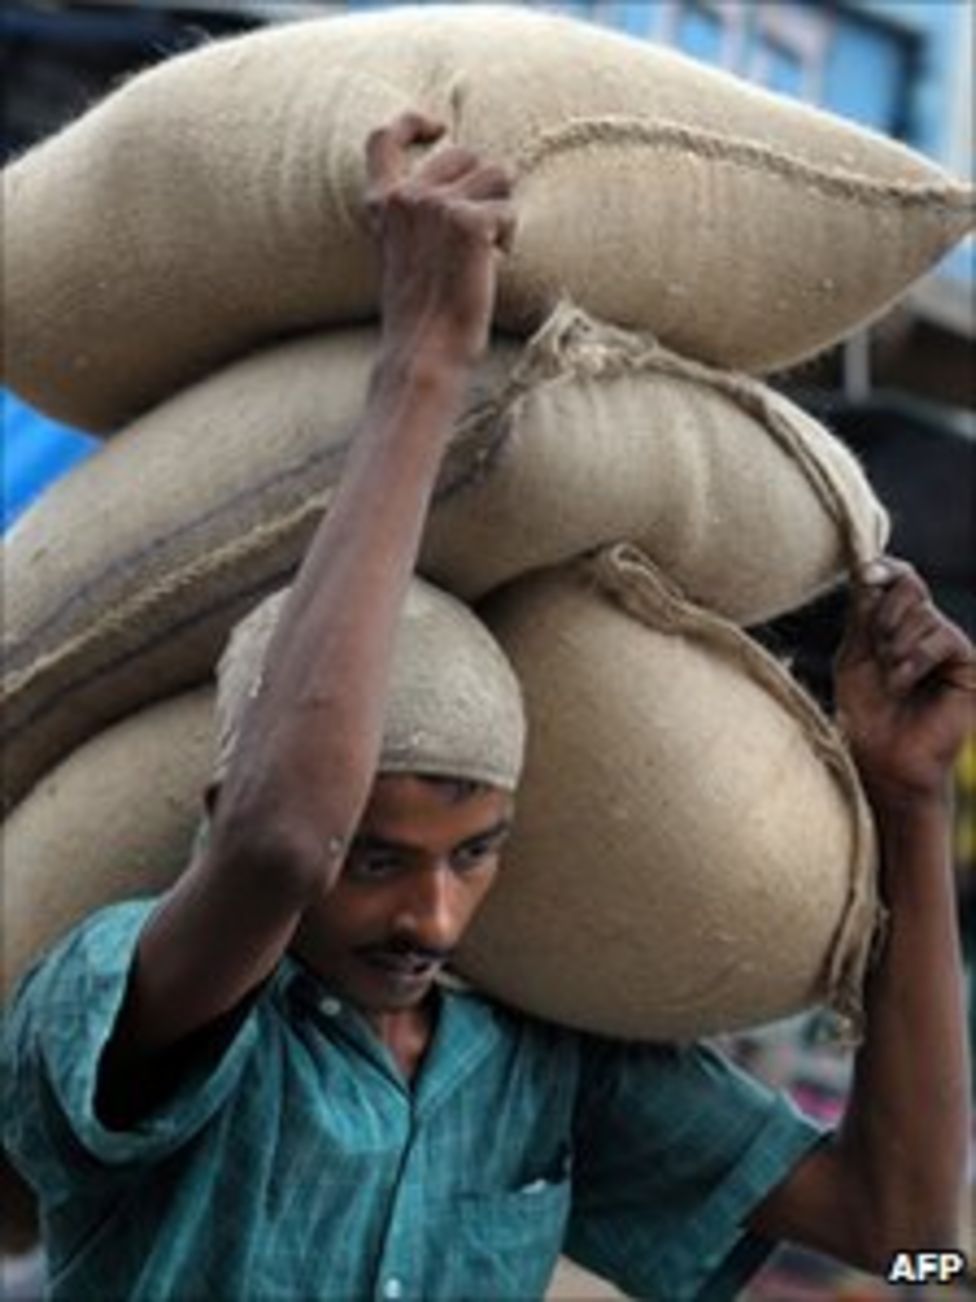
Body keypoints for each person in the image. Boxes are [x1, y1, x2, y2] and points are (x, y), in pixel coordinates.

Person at [3, 113, 972, 1302]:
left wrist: (908, 799)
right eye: (377, 860)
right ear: (224, 803)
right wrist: (422, 369)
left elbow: (908, 1240)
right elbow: (276, 841)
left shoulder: (543, 1072)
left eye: (476, 855)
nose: (432, 915)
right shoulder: (137, 1008)